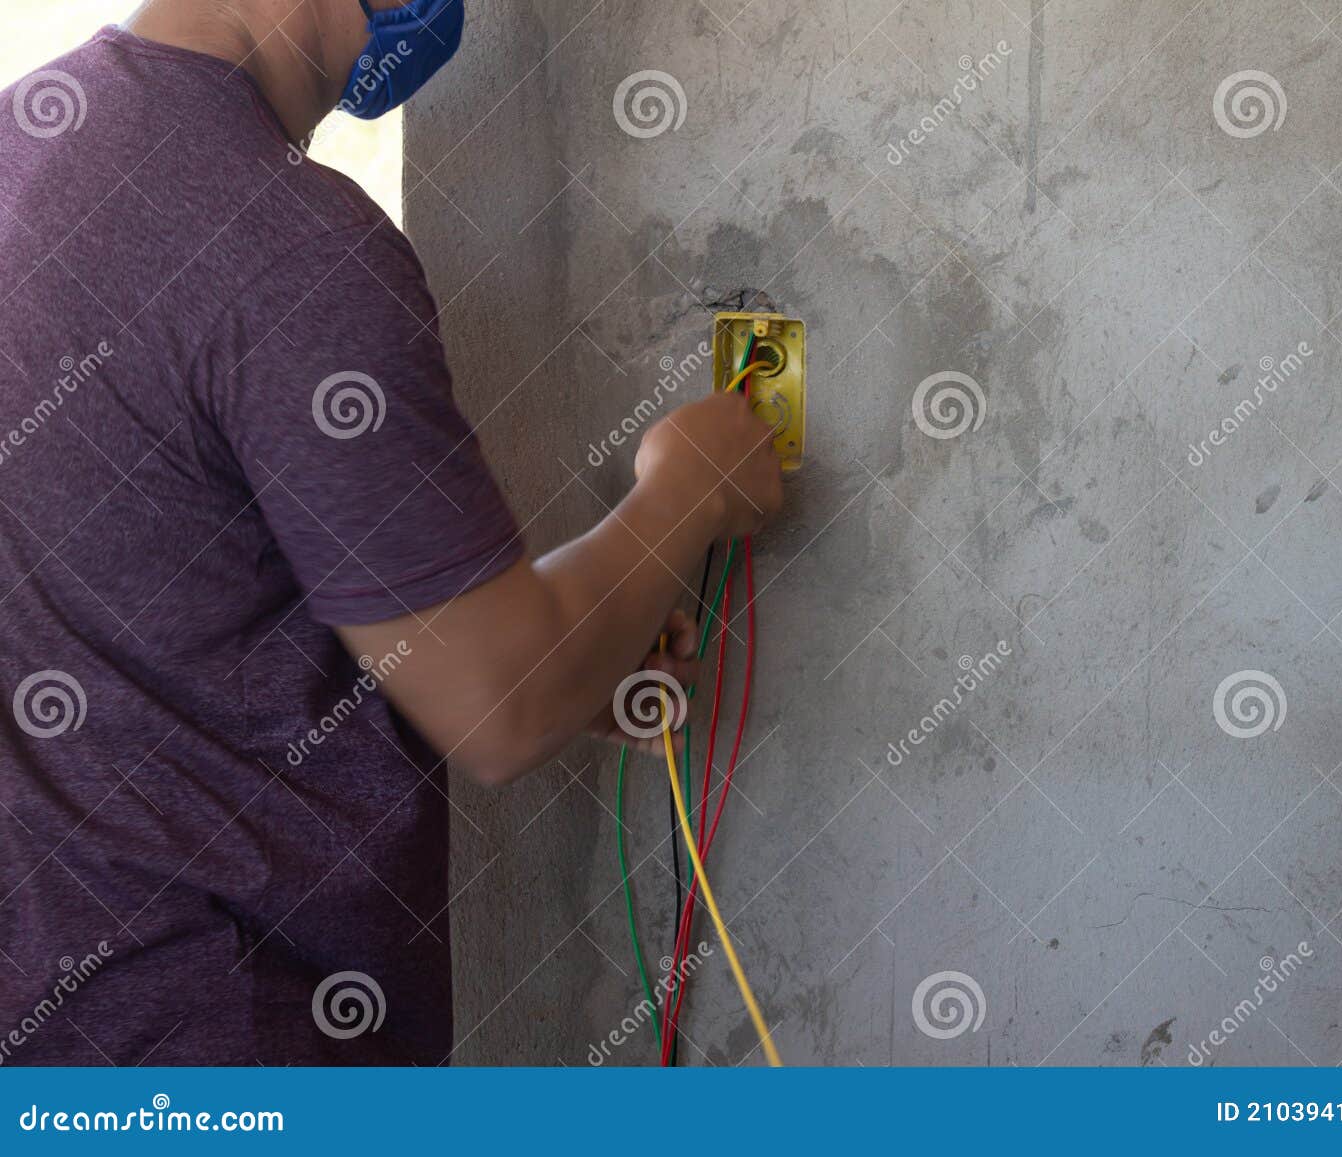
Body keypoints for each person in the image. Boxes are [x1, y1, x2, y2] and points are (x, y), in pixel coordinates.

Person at [0, 0, 781, 1065]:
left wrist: (562, 647)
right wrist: (686, 494)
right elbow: (499, 709)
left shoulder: (22, 147)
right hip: (226, 1038)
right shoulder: (287, 245)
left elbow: (154, 582)